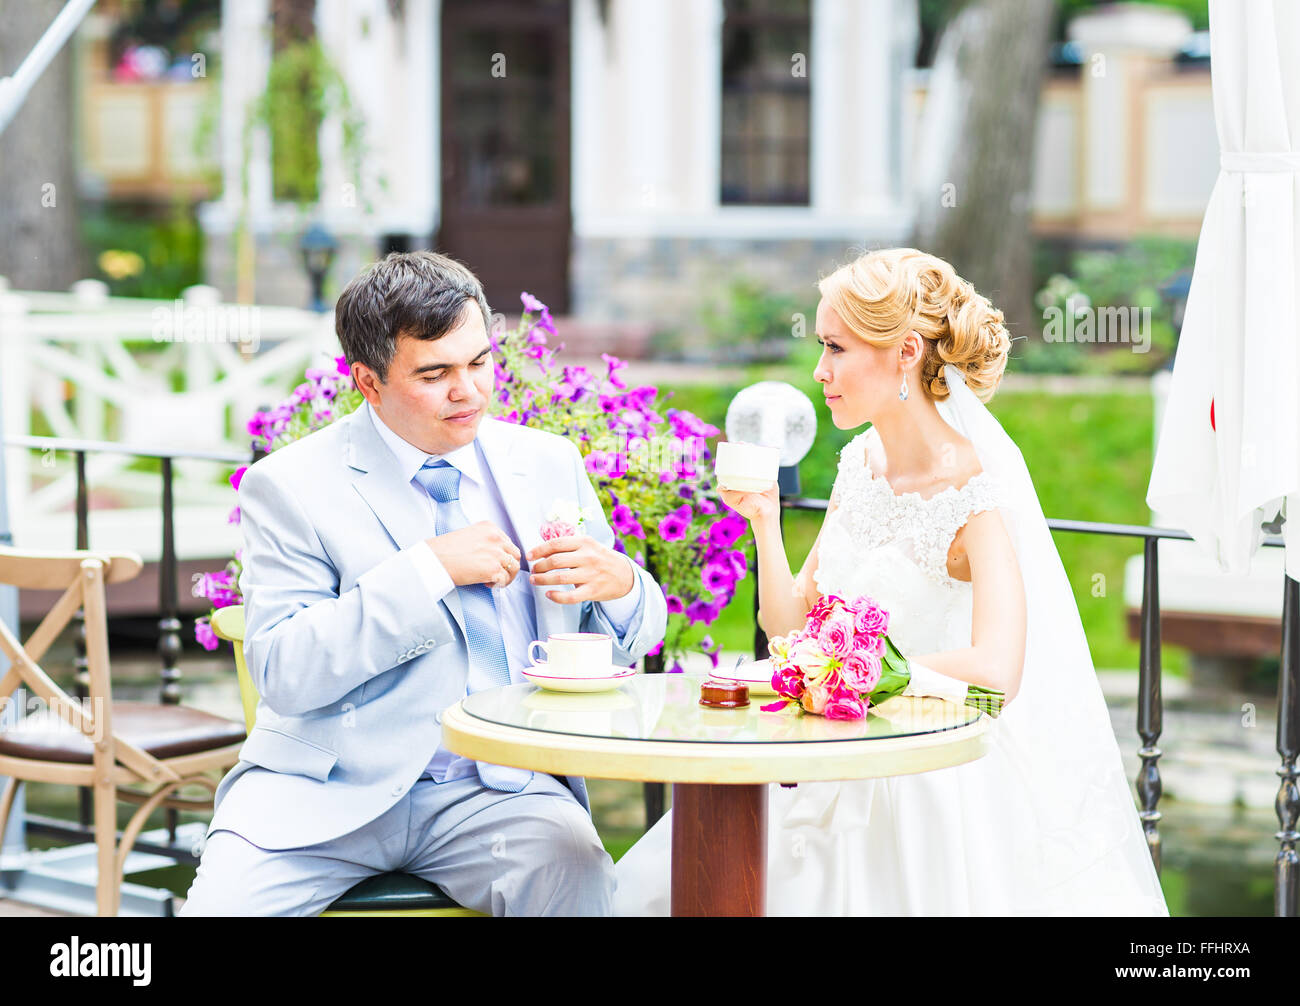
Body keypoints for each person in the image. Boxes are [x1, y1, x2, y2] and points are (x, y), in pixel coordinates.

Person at [614, 248, 1168, 916]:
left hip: (924, 772)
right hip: (828, 749)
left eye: (835, 348)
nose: (820, 371)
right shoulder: (859, 462)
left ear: (905, 351)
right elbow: (790, 628)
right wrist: (764, 522)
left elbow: (997, 673)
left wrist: (857, 675)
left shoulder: (975, 494)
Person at [181, 251, 667, 916]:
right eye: (435, 373)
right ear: (368, 382)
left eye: (479, 362)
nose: (468, 390)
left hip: (499, 797)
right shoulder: (290, 485)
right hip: (321, 792)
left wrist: (622, 587)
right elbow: (287, 671)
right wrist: (428, 570)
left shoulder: (548, 463)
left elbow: (635, 638)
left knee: (578, 874)